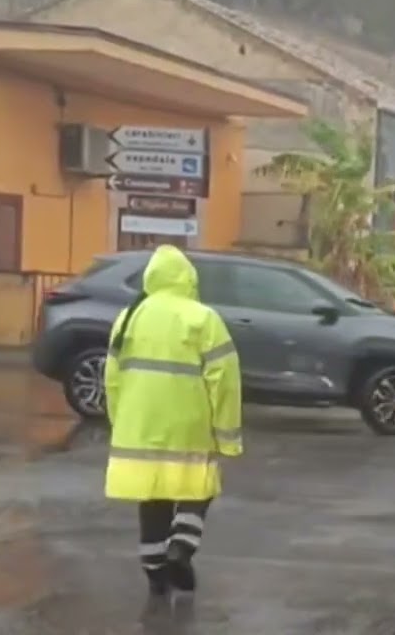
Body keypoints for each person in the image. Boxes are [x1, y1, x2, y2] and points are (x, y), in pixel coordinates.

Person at [104, 245, 244, 597]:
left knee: (153, 497)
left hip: (140, 427)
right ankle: (181, 546)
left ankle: (154, 572)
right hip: (189, 424)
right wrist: (228, 436)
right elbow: (225, 380)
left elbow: (111, 377)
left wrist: (119, 420)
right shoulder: (202, 318)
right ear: (188, 278)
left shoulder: (128, 318)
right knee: (198, 487)